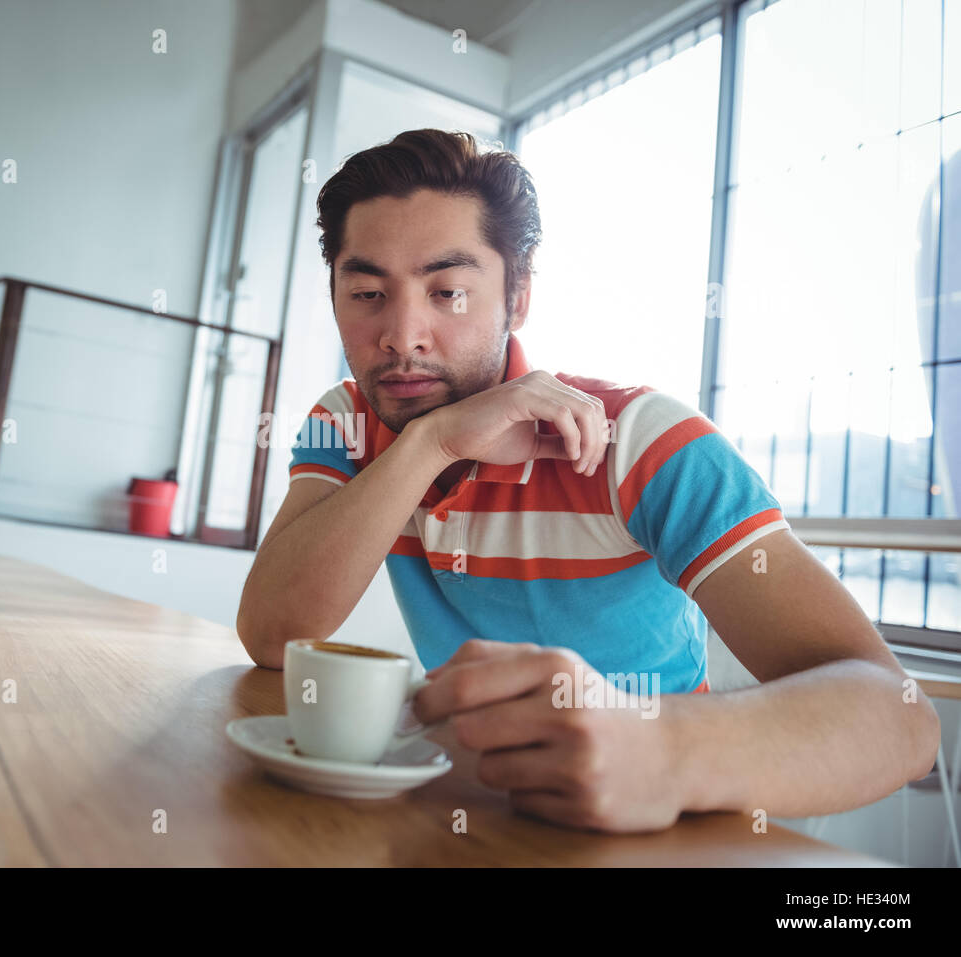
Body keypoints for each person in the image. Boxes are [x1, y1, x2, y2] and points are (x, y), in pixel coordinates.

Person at [235, 129, 940, 833]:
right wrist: (430, 443)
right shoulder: (349, 420)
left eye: (447, 291)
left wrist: (660, 746)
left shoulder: (637, 440)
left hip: (664, 825)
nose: (401, 334)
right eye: (366, 292)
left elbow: (902, 719)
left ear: (518, 295)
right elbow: (275, 632)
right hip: (475, 810)